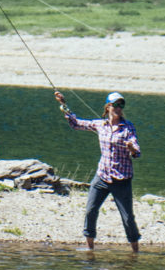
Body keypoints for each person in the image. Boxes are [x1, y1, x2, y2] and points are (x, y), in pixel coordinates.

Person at [54, 90, 141, 253]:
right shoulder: (100, 125)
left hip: (121, 180)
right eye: (115, 105)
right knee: (90, 210)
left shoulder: (128, 127)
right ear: (108, 106)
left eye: (121, 105)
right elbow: (76, 123)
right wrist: (63, 104)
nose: (118, 108)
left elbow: (137, 152)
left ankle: (135, 250)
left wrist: (131, 149)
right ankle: (89, 248)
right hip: (102, 176)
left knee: (128, 217)